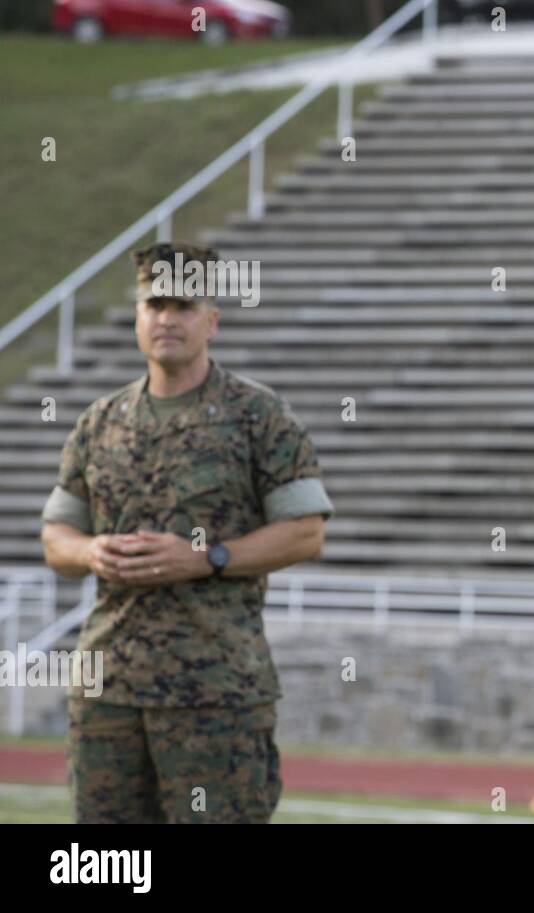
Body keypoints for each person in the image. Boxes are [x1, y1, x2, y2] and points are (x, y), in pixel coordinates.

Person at [39, 242, 335, 823]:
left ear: (212, 320)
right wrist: (91, 550)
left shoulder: (257, 416)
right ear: (138, 317)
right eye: (155, 305)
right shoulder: (100, 423)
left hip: (215, 692)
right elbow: (57, 538)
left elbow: (304, 533)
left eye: (183, 305)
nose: (167, 319)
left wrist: (207, 557)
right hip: (109, 690)